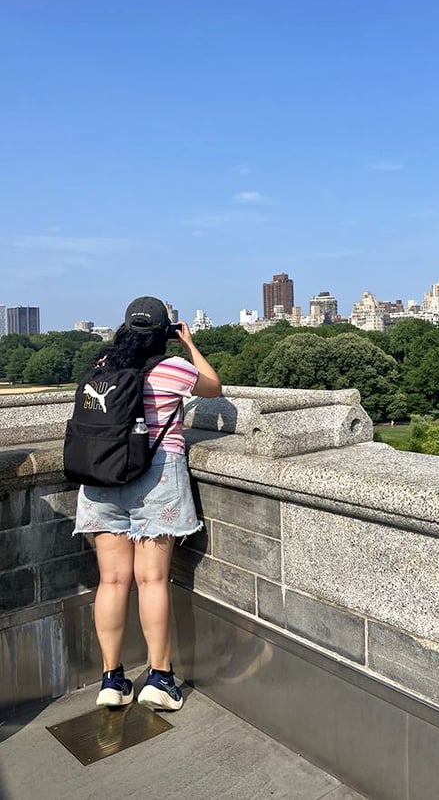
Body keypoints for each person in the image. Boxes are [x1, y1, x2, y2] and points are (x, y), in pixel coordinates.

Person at [73, 296, 221, 711]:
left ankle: (112, 680)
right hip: (157, 477)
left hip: (101, 475)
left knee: (112, 582)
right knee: (152, 581)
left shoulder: (103, 366)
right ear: (163, 332)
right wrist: (188, 344)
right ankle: (159, 677)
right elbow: (213, 386)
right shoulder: (172, 368)